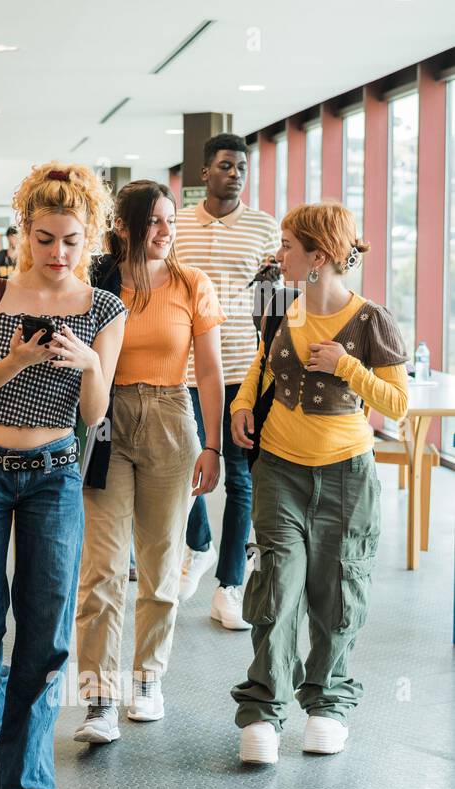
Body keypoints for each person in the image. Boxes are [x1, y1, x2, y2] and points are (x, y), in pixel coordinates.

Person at [0, 162, 125, 789]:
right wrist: (15, 359)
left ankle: (25, 779)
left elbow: (96, 415)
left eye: (71, 241)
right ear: (23, 233)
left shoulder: (103, 308)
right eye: (45, 238)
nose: (57, 253)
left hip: (53, 473)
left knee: (45, 629)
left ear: (90, 239)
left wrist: (91, 363)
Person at [230, 202, 407, 764]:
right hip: (279, 467)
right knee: (276, 586)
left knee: (336, 593)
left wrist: (346, 367)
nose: (279, 256)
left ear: (319, 258)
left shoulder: (372, 320)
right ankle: (263, 709)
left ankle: (328, 704)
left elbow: (398, 408)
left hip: (347, 476)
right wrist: (240, 403)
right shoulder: (281, 305)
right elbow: (263, 362)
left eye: (288, 247)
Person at [73, 179, 224, 744]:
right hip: (104, 421)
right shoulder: (97, 283)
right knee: (103, 569)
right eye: (155, 221)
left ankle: (147, 680)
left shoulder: (191, 284)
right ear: (125, 228)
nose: (166, 231)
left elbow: (208, 373)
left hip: (169, 418)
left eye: (170, 221)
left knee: (161, 566)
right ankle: (98, 700)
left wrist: (214, 448)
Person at [173, 133, 281, 628]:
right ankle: (199, 546)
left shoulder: (264, 228)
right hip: (186, 368)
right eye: (225, 165)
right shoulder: (176, 227)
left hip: (244, 370)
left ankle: (230, 587)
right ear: (205, 173)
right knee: (181, 466)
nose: (235, 173)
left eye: (242, 166)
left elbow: (278, 303)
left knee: (239, 478)